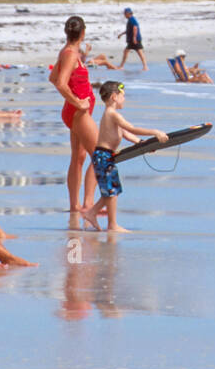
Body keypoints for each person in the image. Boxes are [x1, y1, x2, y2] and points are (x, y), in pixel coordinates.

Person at [83, 81, 167, 232]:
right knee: (111, 192)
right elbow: (132, 128)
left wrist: (142, 144)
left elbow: (126, 133)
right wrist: (155, 132)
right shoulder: (112, 114)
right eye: (123, 96)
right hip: (103, 156)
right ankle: (112, 225)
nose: (125, 99)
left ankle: (91, 213)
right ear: (114, 97)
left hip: (106, 156)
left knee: (112, 190)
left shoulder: (111, 115)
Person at [51, 15, 98, 219]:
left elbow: (52, 77)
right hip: (78, 112)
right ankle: (88, 205)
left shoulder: (69, 52)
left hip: (75, 111)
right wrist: (78, 101)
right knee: (101, 156)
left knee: (78, 157)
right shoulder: (70, 54)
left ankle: (75, 206)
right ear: (83, 32)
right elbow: (60, 82)